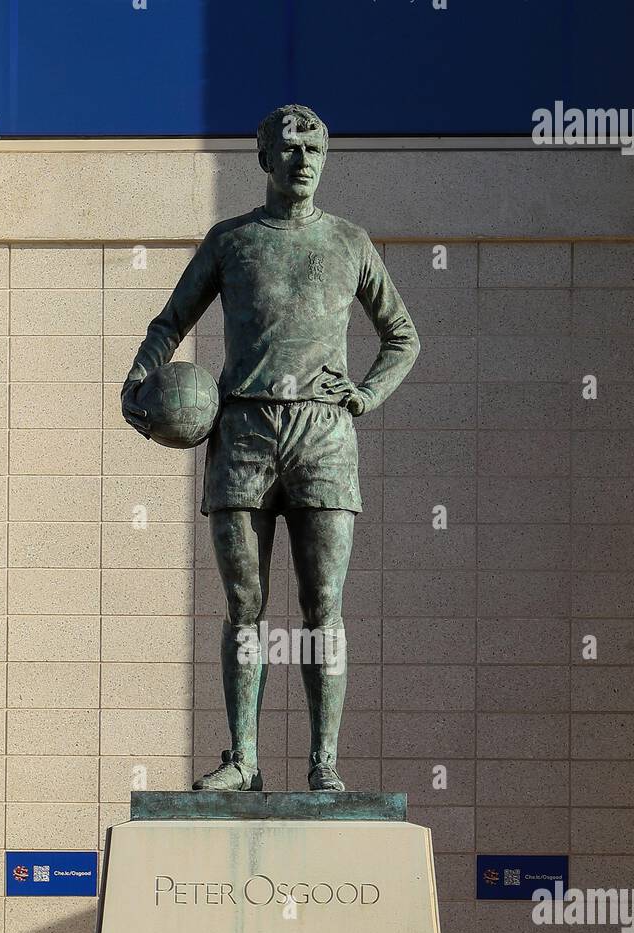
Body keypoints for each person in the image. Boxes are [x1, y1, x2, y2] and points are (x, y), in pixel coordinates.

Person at [122, 104, 419, 791]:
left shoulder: (349, 241)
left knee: (322, 604)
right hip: (244, 432)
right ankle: (246, 759)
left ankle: (324, 765)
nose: (303, 159)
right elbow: (170, 323)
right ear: (264, 157)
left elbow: (402, 335)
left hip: (322, 434)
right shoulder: (231, 241)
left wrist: (366, 395)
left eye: (314, 147)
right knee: (245, 603)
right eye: (288, 148)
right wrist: (138, 384)